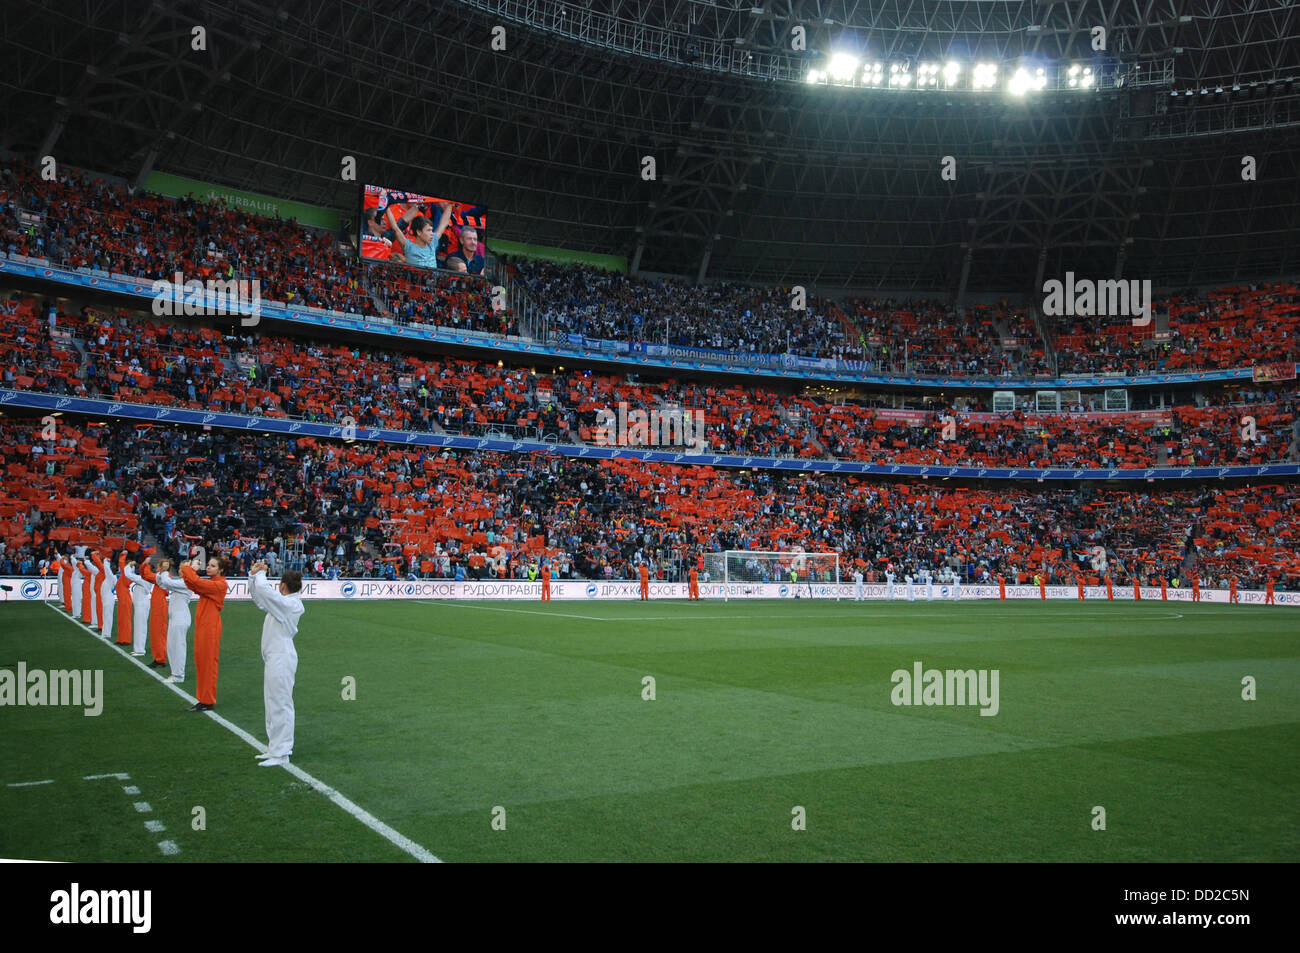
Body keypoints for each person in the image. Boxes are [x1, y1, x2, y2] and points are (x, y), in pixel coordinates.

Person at [248, 563, 305, 768]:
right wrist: (253, 577)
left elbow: (265, 593)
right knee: (272, 702)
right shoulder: (282, 603)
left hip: (282, 656)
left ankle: (282, 752)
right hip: (275, 656)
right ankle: (274, 747)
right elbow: (259, 598)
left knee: (281, 703)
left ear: (282, 586)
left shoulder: (290, 605)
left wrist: (260, 573)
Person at [180, 555, 228, 711]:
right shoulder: (212, 583)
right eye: (208, 565)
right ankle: (203, 698)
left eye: (213, 566)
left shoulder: (220, 585)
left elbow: (196, 582)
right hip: (204, 625)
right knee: (201, 661)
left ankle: (207, 700)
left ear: (220, 570)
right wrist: (188, 571)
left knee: (208, 663)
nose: (208, 567)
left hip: (210, 627)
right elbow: (192, 585)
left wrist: (189, 568)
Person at [384, 199, 453, 271]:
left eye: (431, 230)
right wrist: (386, 207)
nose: (432, 233)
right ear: (419, 232)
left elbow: (443, 224)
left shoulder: (432, 242)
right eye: (428, 230)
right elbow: (395, 229)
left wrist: (451, 203)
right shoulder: (408, 246)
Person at [155, 560, 192, 683]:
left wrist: (165, 571)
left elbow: (166, 582)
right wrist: (161, 572)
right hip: (176, 617)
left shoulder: (187, 583)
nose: (181, 571)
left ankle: (178, 675)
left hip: (181, 618)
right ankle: (175, 673)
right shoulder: (181, 582)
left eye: (183, 568)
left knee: (178, 646)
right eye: (180, 568)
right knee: (172, 646)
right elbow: (162, 584)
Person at [138, 556, 171, 669]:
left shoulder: (161, 577)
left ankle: (160, 658)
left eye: (164, 566)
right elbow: (145, 576)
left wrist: (145, 564)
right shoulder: (161, 577)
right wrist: (144, 566)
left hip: (160, 608)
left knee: (159, 633)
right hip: (158, 607)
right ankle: (159, 657)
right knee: (156, 632)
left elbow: (147, 575)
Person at [121, 558, 153, 658]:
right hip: (141, 604)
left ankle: (140, 650)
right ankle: (138, 648)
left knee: (140, 627)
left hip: (142, 605)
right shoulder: (144, 578)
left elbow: (128, 574)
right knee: (139, 626)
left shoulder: (144, 579)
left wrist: (129, 565)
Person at [115, 552, 134, 648]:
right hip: (122, 599)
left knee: (125, 620)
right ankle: (121, 638)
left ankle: (125, 639)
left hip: (125, 599)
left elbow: (121, 563)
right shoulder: (125, 575)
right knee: (121, 619)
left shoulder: (127, 575)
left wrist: (123, 555)